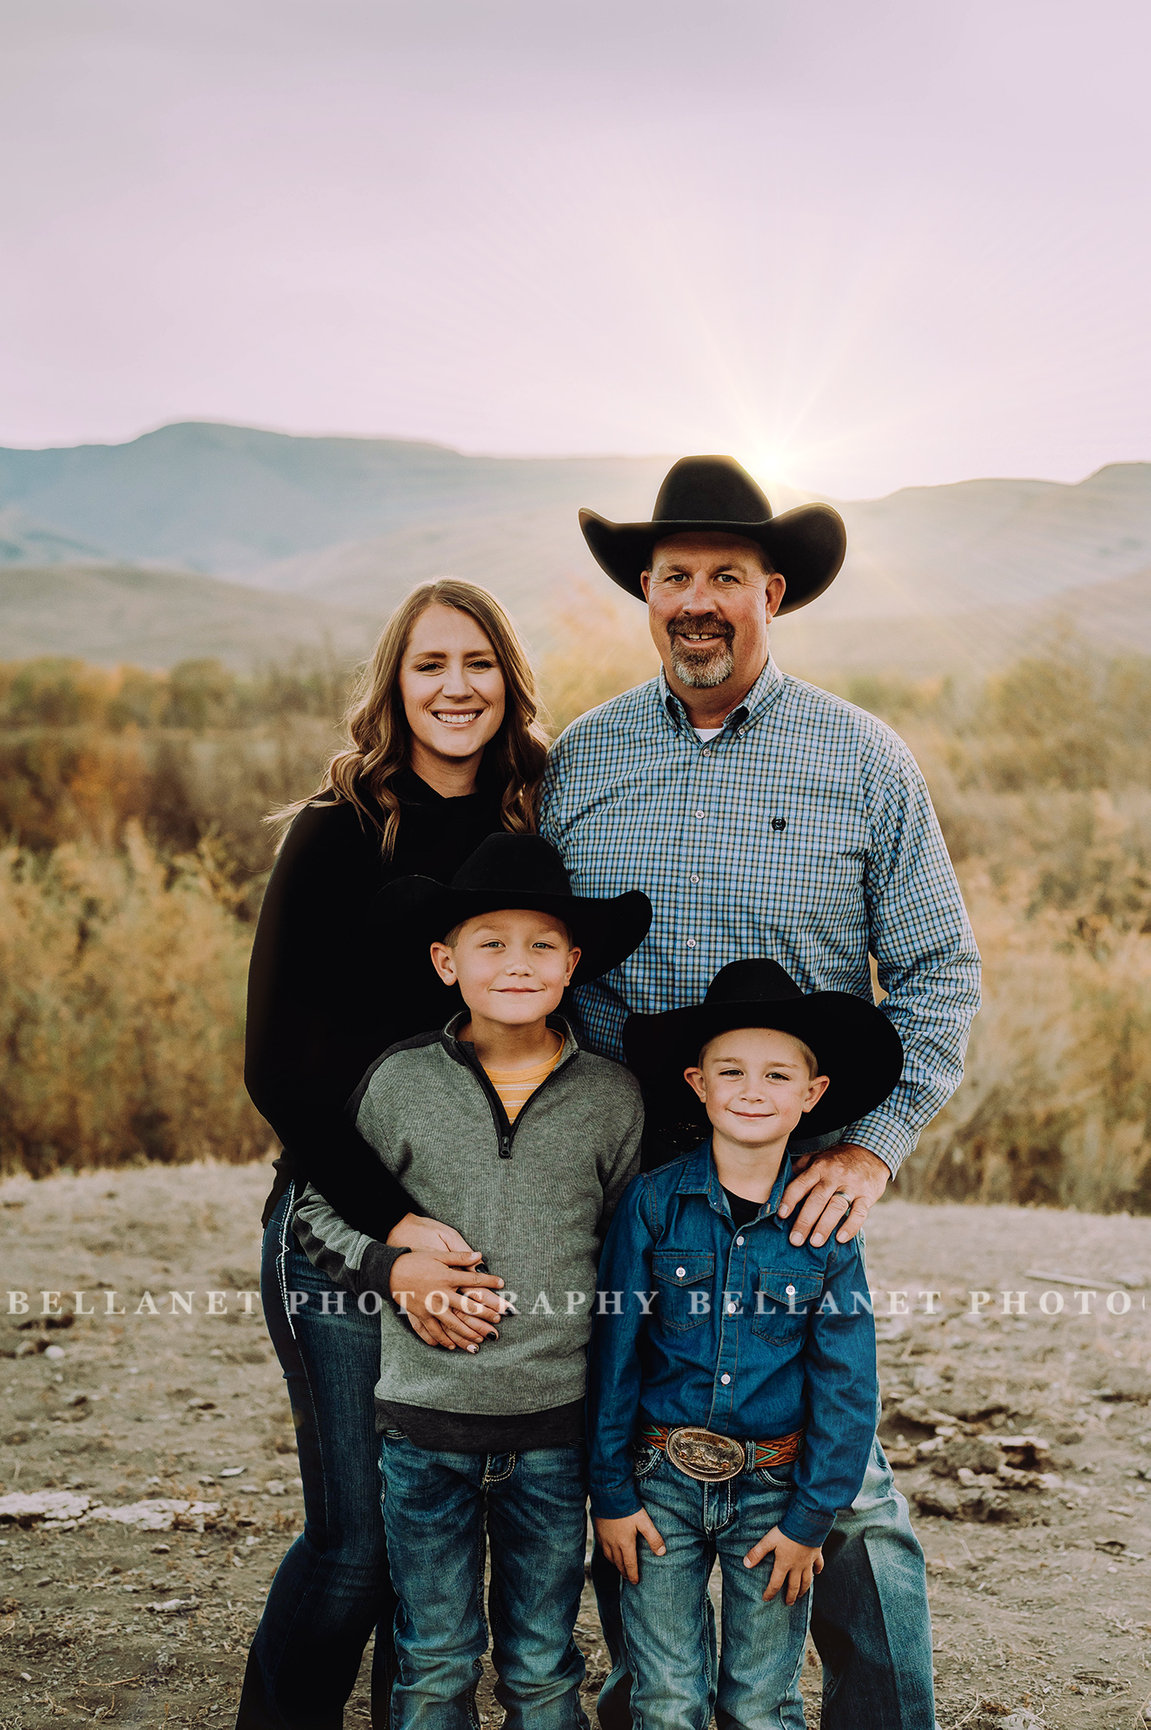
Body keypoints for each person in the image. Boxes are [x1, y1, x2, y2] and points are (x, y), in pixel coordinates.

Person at [541, 455, 982, 1730]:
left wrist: (877, 1146)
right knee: (639, 1461)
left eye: (723, 575)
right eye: (671, 574)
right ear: (643, 591)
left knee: (844, 1498)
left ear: (770, 591)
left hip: (792, 1179)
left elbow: (941, 971)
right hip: (630, 1177)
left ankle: (882, 1716)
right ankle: (655, 1707)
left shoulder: (861, 759)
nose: (695, 599)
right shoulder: (587, 759)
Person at [237, 580, 548, 1730]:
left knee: (438, 1555)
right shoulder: (336, 831)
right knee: (358, 1546)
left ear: (508, 682)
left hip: (483, 1238)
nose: (456, 687)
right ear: (395, 685)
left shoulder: (529, 830)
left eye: (477, 663)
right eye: (429, 665)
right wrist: (392, 1227)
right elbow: (276, 1066)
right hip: (339, 1227)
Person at [290, 832, 651, 1730]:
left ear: (573, 964)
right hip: (422, 1430)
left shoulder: (613, 1097)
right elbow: (319, 1210)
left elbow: (626, 1248)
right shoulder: (398, 1083)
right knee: (434, 1658)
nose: (517, 964)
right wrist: (389, 1265)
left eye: (540, 945)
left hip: (552, 1434)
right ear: (445, 962)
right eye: (490, 943)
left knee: (539, 1665)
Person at [589, 958, 907, 1730]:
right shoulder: (651, 1205)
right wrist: (611, 1492)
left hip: (773, 1491)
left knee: (762, 1701)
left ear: (812, 1094)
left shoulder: (825, 1225)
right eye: (730, 1071)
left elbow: (847, 1380)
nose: (752, 1090)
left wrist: (809, 1521)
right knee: (665, 1697)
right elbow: (615, 1350)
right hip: (659, 1482)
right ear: (697, 1085)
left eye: (775, 1074)